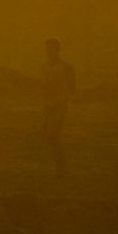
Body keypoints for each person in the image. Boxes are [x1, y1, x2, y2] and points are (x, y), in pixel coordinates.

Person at [37, 36, 76, 174]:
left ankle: (62, 166)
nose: (49, 51)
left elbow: (72, 88)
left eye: (51, 49)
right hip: (49, 106)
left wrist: (63, 102)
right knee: (47, 137)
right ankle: (61, 165)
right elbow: (42, 86)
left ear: (58, 50)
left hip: (60, 107)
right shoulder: (44, 67)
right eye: (47, 49)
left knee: (52, 136)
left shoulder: (66, 68)